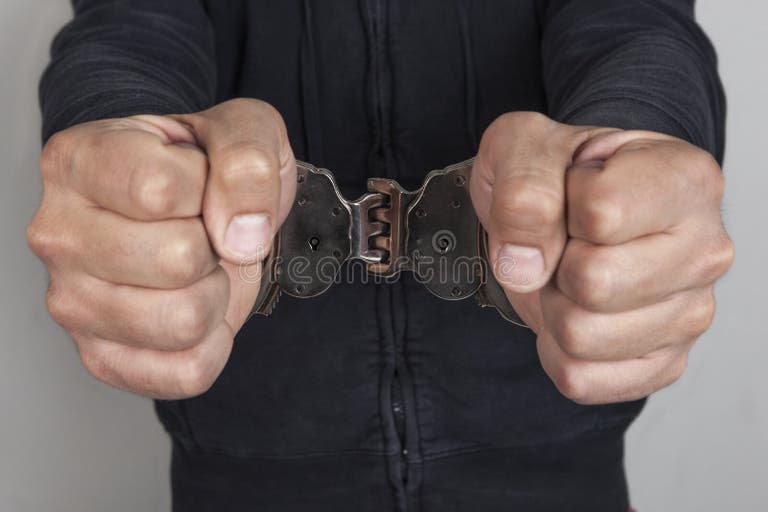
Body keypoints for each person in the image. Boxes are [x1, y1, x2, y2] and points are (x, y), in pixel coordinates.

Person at [27, 1, 733, 511]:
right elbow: (132, 24)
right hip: (244, 461)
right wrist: (121, 132)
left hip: (554, 455)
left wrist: (632, 141)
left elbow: (633, 22)